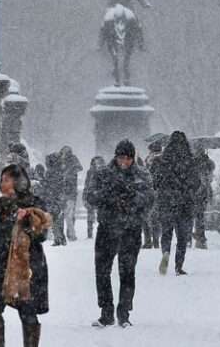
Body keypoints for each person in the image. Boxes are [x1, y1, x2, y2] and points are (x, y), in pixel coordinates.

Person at [0, 164, 50, 347]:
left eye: (6, 180)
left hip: (27, 267)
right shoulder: (0, 206)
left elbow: (41, 234)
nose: (1, 184)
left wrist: (28, 219)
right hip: (0, 265)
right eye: (1, 179)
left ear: (18, 182)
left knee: (28, 312)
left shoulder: (35, 203)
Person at [86, 140, 154, 328]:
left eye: (127, 158)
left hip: (130, 229)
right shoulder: (104, 174)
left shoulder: (142, 175)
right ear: (115, 157)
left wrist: (133, 199)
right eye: (120, 158)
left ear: (133, 158)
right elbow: (90, 196)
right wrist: (109, 197)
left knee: (127, 272)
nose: (124, 162)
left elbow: (150, 199)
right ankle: (106, 312)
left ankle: (124, 313)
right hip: (107, 228)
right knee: (102, 272)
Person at [152, 131, 200, 276]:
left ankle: (166, 252)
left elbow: (155, 183)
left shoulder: (162, 160)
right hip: (185, 203)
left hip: (167, 202)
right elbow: (196, 183)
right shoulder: (190, 160)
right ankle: (179, 266)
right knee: (182, 236)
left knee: (166, 232)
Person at [192, 146, 215, 249]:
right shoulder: (208, 163)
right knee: (199, 216)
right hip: (204, 192)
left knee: (196, 215)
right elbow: (210, 178)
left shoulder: (194, 163)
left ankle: (197, 237)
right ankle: (200, 237)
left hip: (196, 192)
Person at [60, 146, 83, 242]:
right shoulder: (61, 160)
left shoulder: (73, 159)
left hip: (70, 191)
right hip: (63, 190)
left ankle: (70, 233)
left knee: (69, 214)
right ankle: (64, 234)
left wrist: (69, 171)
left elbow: (79, 167)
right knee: (63, 214)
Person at [44, 152, 67, 246]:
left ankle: (58, 238)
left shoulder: (50, 172)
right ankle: (61, 238)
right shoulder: (60, 171)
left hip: (52, 197)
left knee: (54, 218)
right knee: (58, 218)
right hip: (59, 197)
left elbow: (48, 185)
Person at [145, 141, 164, 248]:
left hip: (152, 191)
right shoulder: (165, 160)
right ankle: (154, 239)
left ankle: (151, 240)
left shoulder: (151, 161)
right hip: (158, 191)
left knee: (151, 216)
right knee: (156, 217)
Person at [83, 156, 106, 239]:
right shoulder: (90, 172)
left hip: (100, 195)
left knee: (101, 215)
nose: (97, 164)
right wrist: (85, 195)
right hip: (91, 195)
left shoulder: (105, 171)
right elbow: (87, 184)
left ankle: (102, 232)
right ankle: (90, 233)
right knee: (90, 214)